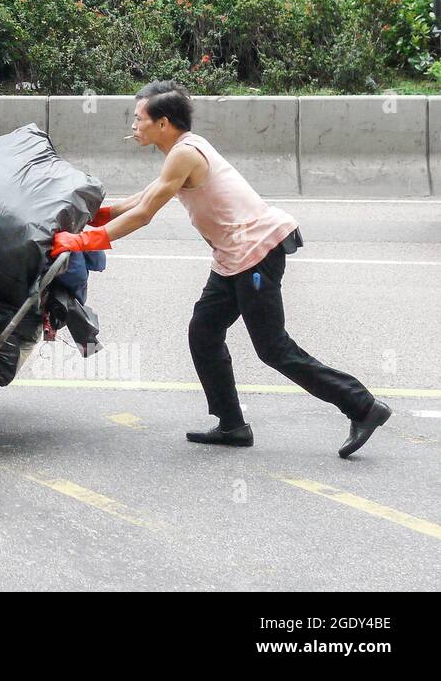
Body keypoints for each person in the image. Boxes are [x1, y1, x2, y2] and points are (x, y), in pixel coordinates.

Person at [50, 81, 391, 458]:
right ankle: (232, 424)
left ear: (163, 123)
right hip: (233, 258)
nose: (134, 125)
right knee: (204, 331)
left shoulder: (184, 154)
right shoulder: (179, 152)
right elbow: (142, 198)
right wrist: (97, 214)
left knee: (273, 348)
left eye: (139, 118)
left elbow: (145, 214)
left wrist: (84, 241)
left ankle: (362, 406)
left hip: (255, 254)